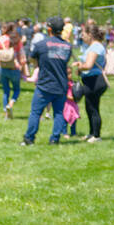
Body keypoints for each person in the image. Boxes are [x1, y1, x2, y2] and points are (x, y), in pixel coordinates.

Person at [22, 16, 72, 146]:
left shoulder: (41, 45)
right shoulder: (67, 46)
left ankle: (29, 138)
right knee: (59, 113)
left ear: (49, 29)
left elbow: (32, 59)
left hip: (44, 85)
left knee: (36, 112)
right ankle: (55, 139)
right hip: (61, 84)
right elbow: (65, 62)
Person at [74, 23, 108, 141]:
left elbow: (88, 65)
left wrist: (79, 66)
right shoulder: (92, 46)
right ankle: (91, 133)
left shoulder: (95, 47)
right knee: (89, 107)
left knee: (93, 108)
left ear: (90, 35)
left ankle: (96, 135)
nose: (82, 37)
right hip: (90, 80)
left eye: (83, 34)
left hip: (95, 80)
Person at [0, 22, 27, 118]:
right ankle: (11, 103)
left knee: (6, 91)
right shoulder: (17, 40)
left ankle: (6, 112)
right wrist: (23, 68)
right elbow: (23, 56)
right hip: (14, 67)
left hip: (2, 67)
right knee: (16, 89)